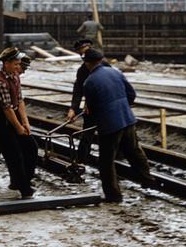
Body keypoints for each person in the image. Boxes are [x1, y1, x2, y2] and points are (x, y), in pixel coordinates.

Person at [81, 48, 156, 203]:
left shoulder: (89, 82)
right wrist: (121, 108)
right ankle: (148, 180)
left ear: (87, 63)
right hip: (127, 119)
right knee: (134, 151)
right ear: (101, 60)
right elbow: (132, 95)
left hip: (109, 126)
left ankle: (113, 195)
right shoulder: (116, 72)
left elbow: (92, 110)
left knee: (106, 161)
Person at [0, 47, 35, 199]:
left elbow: (19, 100)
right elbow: (7, 109)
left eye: (19, 63)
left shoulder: (14, 75)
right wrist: (18, 127)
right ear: (6, 63)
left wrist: (25, 123)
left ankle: (21, 181)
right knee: (14, 155)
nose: (19, 66)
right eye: (16, 63)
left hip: (10, 118)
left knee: (31, 146)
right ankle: (25, 189)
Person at [66, 39, 111, 165]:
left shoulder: (106, 67)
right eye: (82, 54)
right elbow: (78, 89)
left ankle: (112, 159)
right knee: (87, 135)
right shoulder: (82, 70)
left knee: (108, 135)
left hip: (106, 107)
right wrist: (73, 108)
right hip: (91, 108)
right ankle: (81, 160)